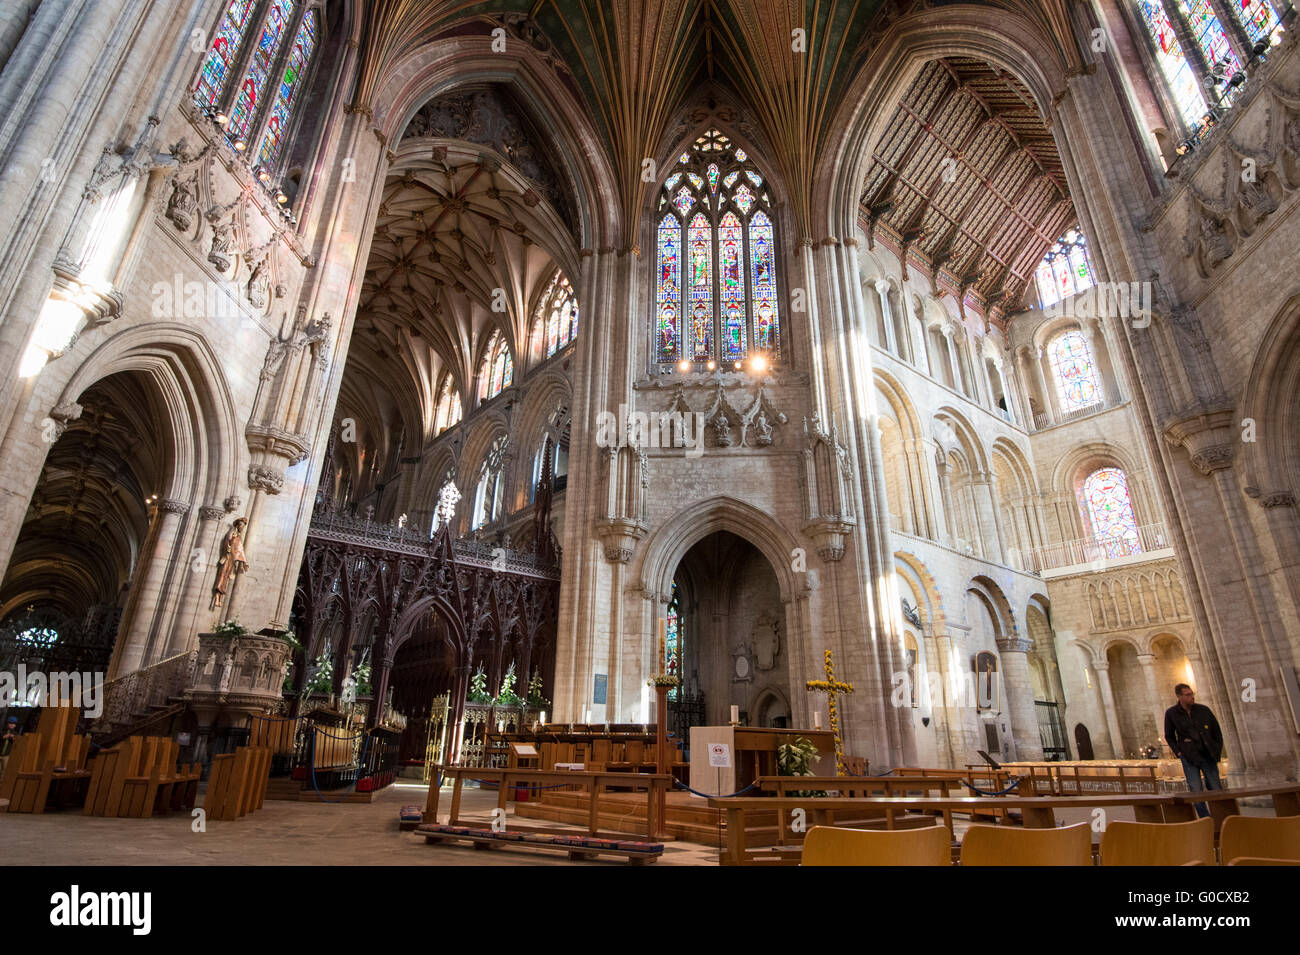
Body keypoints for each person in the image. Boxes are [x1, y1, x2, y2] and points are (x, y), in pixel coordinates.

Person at [1163, 683, 1224, 817]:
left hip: (1208, 754)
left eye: (1192, 694)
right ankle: (1205, 819)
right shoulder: (1172, 713)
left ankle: (1221, 816)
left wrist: (1217, 749)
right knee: (1195, 789)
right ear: (1179, 697)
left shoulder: (1203, 710)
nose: (1192, 697)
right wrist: (1179, 752)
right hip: (1189, 756)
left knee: (1215, 786)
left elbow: (1216, 731)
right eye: (1188, 695)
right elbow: (1169, 735)